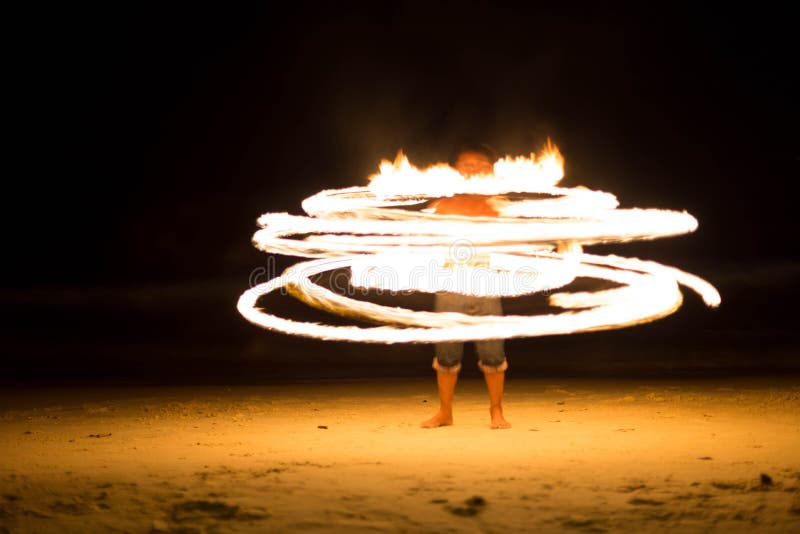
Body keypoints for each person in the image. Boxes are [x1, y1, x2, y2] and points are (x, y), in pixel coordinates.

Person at [420, 143, 512, 429]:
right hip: (450, 283)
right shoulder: (443, 202)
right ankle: (445, 412)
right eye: (467, 165)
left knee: (493, 353)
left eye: (481, 164)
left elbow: (516, 241)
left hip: (486, 282)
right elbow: (422, 237)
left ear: (491, 169)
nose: (474, 169)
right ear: (456, 170)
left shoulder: (497, 204)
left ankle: (496, 411)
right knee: (446, 355)